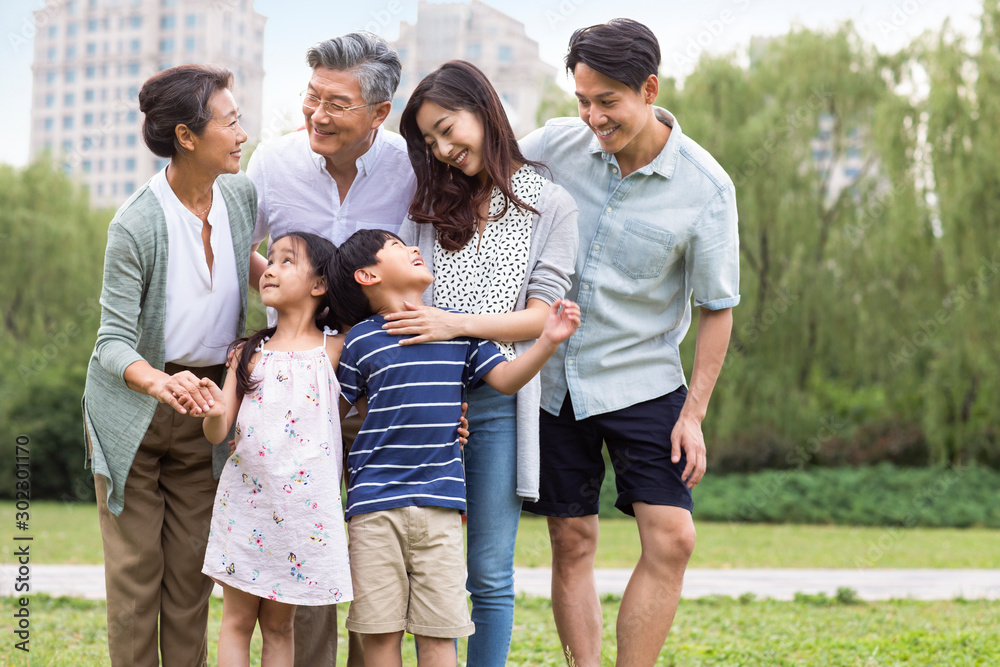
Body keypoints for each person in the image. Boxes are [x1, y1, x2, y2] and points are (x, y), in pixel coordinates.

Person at [519, 19, 740, 666]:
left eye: (607, 101)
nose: (592, 117)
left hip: (642, 376)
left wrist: (693, 414)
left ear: (649, 89)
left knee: (672, 537)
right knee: (571, 537)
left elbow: (717, 308)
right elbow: (480, 172)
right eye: (582, 100)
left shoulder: (705, 187)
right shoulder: (555, 146)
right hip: (552, 377)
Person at [389, 59, 578, 665]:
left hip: (498, 405)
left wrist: (455, 323)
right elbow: (401, 297)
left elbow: (541, 316)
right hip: (427, 403)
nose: (443, 149)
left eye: (447, 129)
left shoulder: (550, 204)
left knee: (489, 573)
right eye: (430, 142)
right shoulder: (426, 207)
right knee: (422, 568)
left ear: (484, 109)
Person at [328, 229, 581, 667]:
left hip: (441, 506)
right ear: (367, 276)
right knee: (380, 635)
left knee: (440, 634)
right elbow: (333, 414)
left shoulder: (458, 329)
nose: (412, 247)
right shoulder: (360, 342)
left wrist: (549, 341)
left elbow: (506, 381)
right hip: (373, 507)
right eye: (395, 246)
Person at [245, 32, 412, 665]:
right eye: (312, 96)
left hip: (381, 382)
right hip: (293, 382)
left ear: (379, 112)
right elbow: (240, 246)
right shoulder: (273, 161)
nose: (317, 114)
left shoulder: (410, 166)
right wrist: (293, 308)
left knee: (377, 538)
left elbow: (423, 268)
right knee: (301, 536)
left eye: (337, 104)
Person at [81, 64, 256, 666]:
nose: (241, 133)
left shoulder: (239, 195)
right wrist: (161, 382)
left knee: (190, 577)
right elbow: (111, 343)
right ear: (186, 135)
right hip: (135, 409)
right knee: (136, 579)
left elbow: (248, 267)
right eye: (229, 122)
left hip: (208, 410)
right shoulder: (136, 223)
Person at [199, 232, 352, 666]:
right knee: (236, 621)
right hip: (246, 506)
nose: (269, 268)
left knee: (280, 627)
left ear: (320, 284)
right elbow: (217, 433)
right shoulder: (246, 353)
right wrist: (213, 410)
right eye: (270, 260)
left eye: (287, 261)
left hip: (304, 513)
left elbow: (368, 407)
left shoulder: (337, 350)